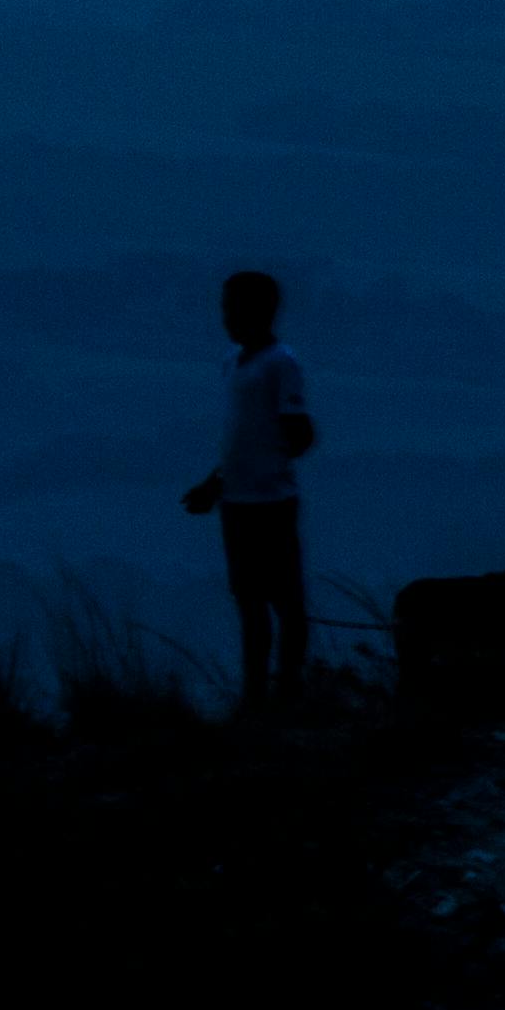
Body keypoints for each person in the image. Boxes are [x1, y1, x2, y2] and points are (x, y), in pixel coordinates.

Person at [179, 268, 319, 705]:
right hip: (238, 504)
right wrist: (215, 484)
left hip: (271, 502)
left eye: (232, 307)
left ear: (260, 310)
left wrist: (285, 441)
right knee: (250, 602)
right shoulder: (234, 361)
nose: (225, 317)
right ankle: (257, 694)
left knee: (285, 603)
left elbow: (295, 433)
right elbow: (242, 438)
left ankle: (286, 689)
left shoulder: (280, 363)